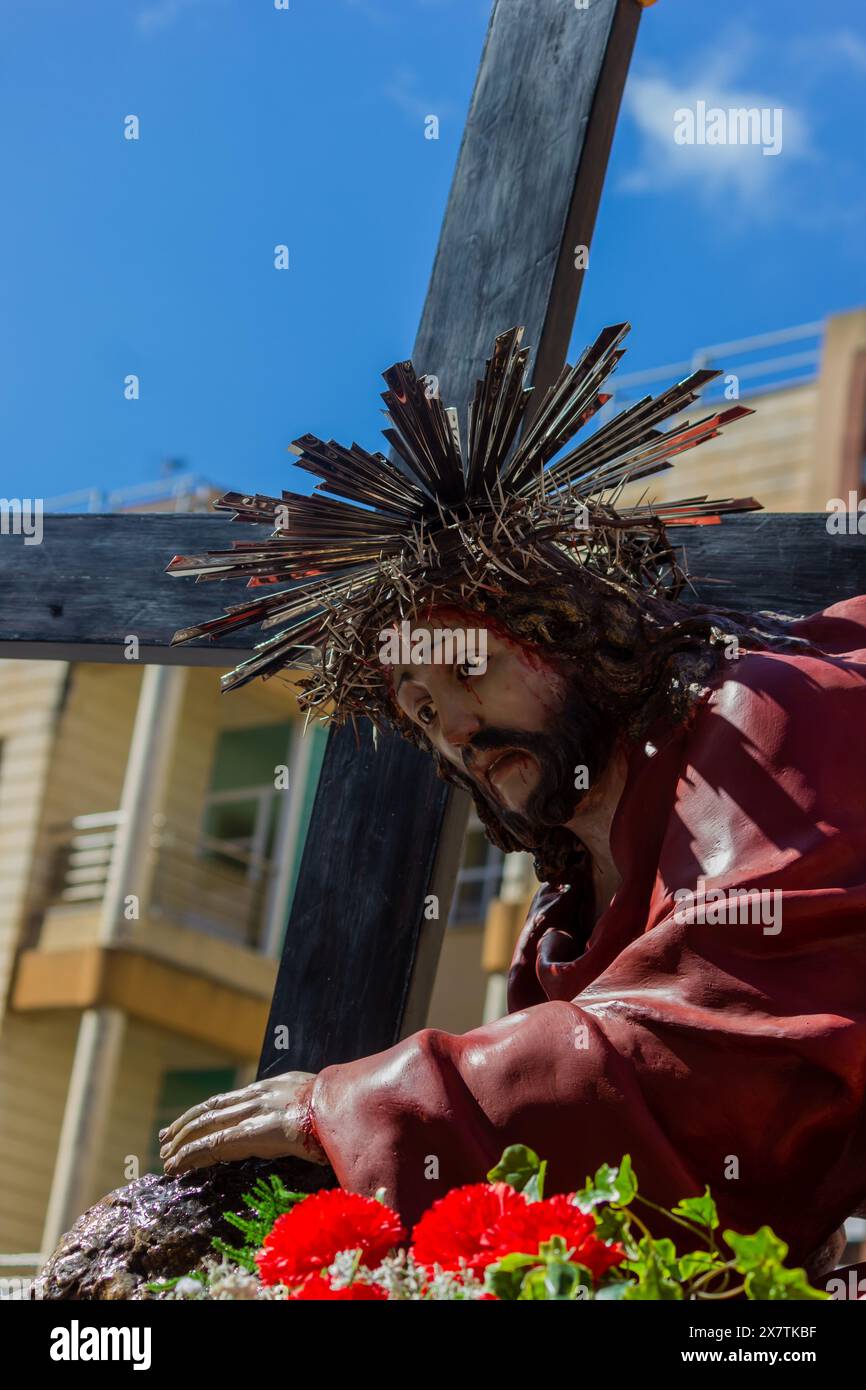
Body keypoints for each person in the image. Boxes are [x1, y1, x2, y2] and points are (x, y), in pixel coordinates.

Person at [160, 324, 866, 1276]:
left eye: (470, 671)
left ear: (571, 635)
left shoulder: (764, 719)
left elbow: (729, 1056)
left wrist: (367, 1101)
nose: (453, 728)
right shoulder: (558, 932)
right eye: (418, 709)